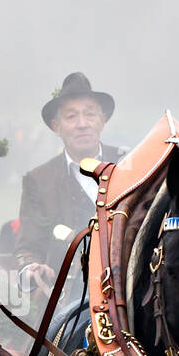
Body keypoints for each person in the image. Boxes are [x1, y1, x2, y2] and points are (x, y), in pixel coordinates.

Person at [15, 72, 128, 294]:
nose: (82, 124)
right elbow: (28, 246)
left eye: (90, 114)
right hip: (64, 300)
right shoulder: (38, 180)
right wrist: (31, 269)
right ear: (56, 127)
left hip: (126, 293)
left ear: (102, 121)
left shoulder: (127, 166)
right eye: (71, 117)